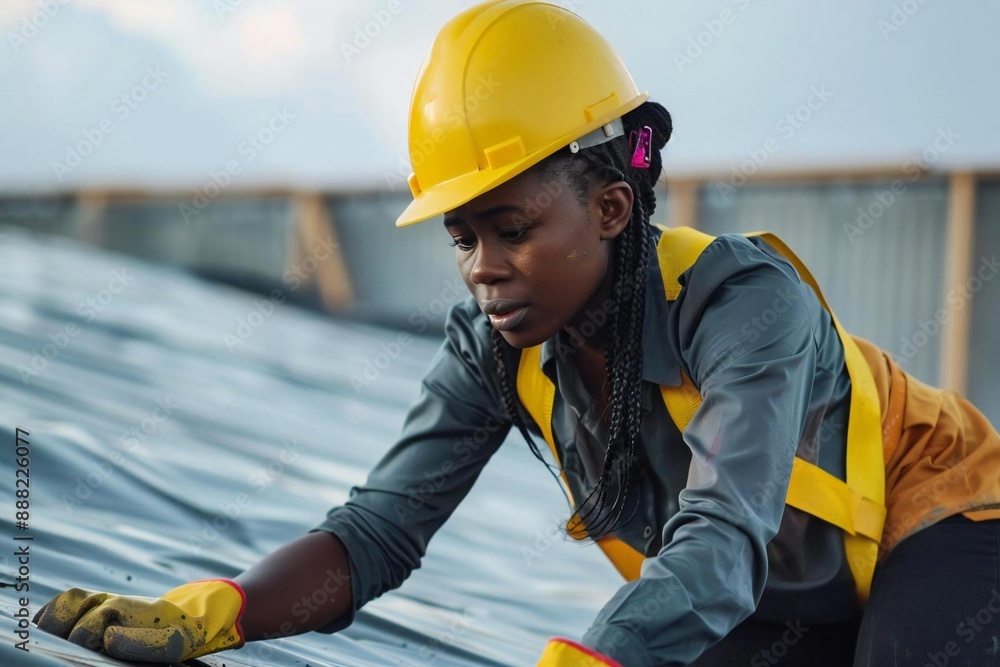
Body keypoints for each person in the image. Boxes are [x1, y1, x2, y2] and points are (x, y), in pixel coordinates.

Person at [33, 1, 1000, 665]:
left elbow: (719, 540)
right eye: (464, 237)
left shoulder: (747, 303)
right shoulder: (495, 344)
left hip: (953, 532)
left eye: (515, 228)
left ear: (614, 207)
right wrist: (222, 611)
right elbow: (378, 531)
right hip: (797, 595)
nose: (484, 265)